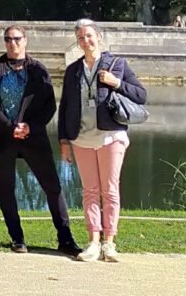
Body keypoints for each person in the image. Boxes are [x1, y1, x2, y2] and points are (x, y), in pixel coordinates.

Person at [0, 24, 79, 256]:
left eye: (16, 39)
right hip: (3, 137)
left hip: (33, 137)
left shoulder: (38, 69)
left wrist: (30, 127)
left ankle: (65, 238)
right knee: (6, 188)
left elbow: (49, 105)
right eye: (8, 39)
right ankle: (17, 238)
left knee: (52, 187)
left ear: (25, 40)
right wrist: (8, 127)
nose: (12, 43)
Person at [59, 18, 148, 263]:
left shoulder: (117, 64)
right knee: (90, 191)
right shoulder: (74, 70)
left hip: (111, 136)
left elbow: (141, 95)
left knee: (110, 190)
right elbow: (65, 106)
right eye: (80, 38)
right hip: (82, 137)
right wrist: (64, 141)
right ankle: (93, 242)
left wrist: (116, 82)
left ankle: (109, 242)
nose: (85, 41)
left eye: (89, 36)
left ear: (99, 37)